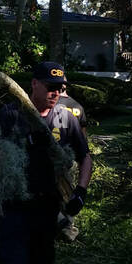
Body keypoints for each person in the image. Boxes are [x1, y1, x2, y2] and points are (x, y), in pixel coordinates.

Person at [0, 61, 93, 264]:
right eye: (49, 86)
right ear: (33, 84)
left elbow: (85, 157)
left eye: (60, 88)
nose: (55, 93)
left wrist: (80, 192)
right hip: (15, 209)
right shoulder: (10, 115)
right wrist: (20, 150)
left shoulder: (66, 118)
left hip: (48, 210)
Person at [56, 88, 88, 242]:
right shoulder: (78, 106)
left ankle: (64, 227)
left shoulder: (54, 105)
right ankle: (67, 228)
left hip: (54, 155)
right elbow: (83, 137)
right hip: (70, 157)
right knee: (68, 194)